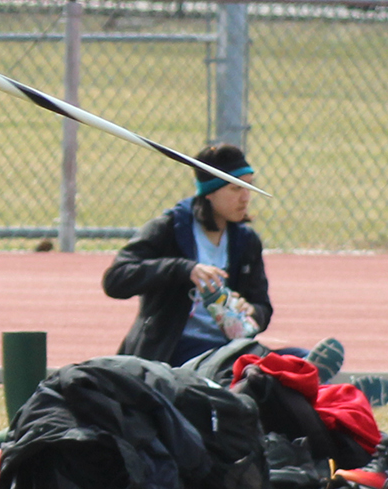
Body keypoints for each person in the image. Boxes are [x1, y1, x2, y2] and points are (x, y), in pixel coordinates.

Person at [104, 143, 286, 366]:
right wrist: (184, 269)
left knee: (293, 357)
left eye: (249, 187)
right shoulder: (168, 229)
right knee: (254, 370)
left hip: (229, 347)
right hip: (173, 350)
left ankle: (304, 367)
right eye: (236, 188)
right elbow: (115, 279)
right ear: (210, 192)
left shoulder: (247, 241)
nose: (245, 198)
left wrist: (251, 312)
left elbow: (262, 306)